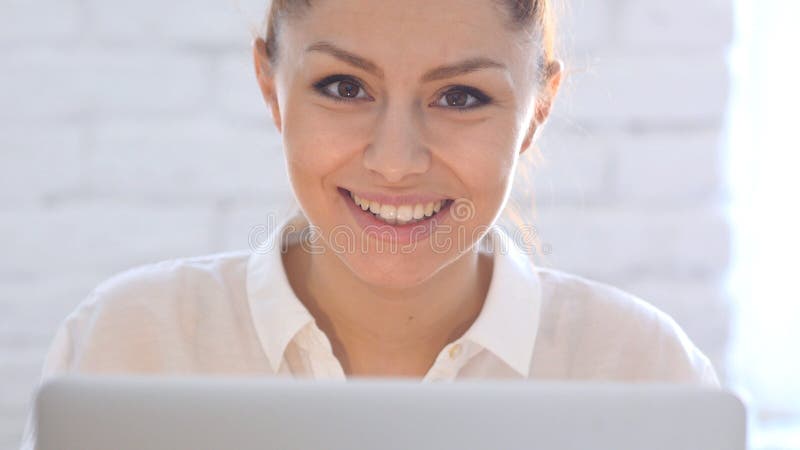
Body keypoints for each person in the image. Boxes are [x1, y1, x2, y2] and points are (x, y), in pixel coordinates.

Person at [19, 0, 719, 448]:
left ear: (537, 110)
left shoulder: (646, 372)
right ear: (271, 87)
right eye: (345, 87)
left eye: (460, 96)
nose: (396, 162)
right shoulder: (126, 344)